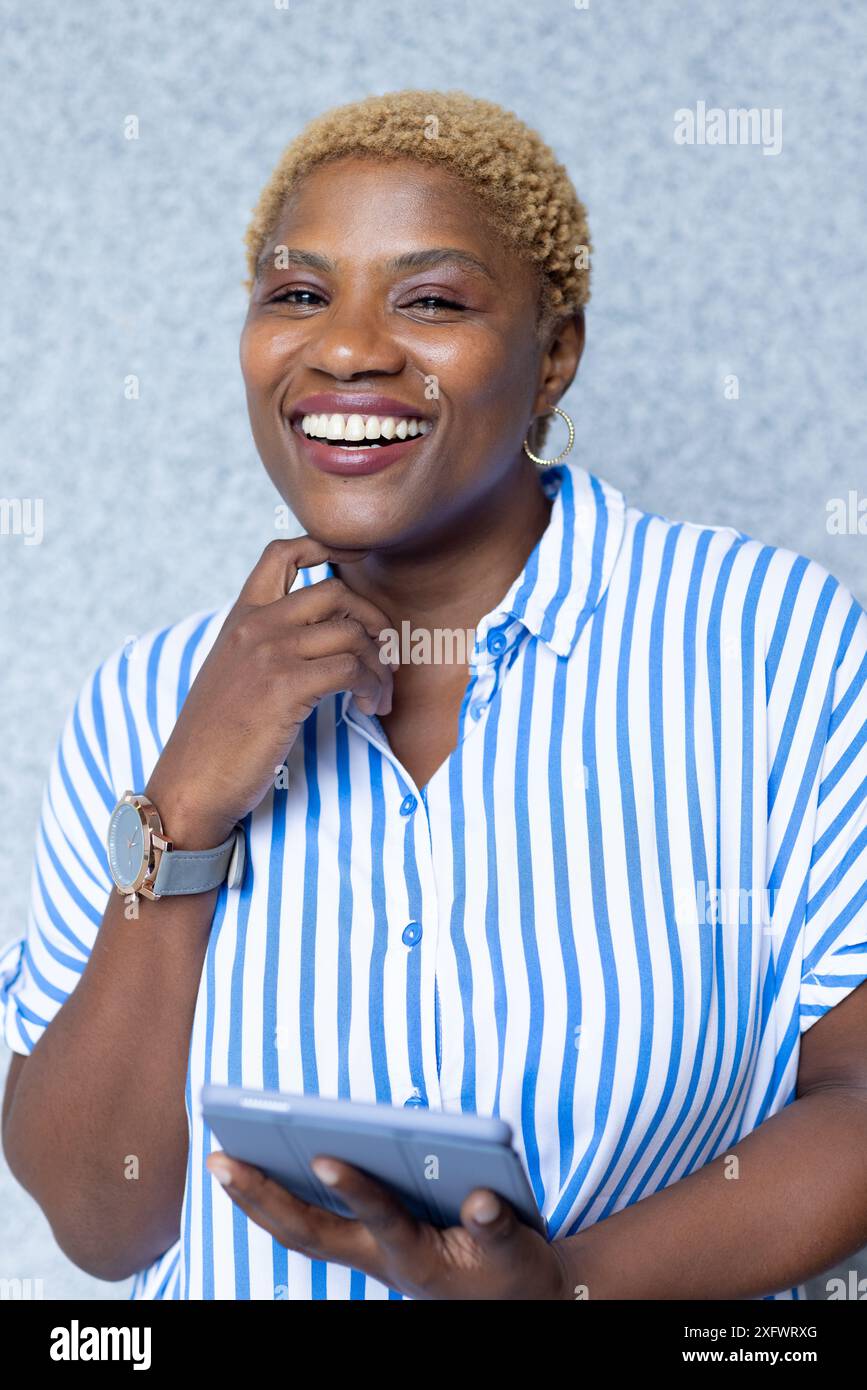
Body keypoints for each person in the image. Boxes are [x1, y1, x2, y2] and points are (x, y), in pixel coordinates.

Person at [2, 89, 866, 1301]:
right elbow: (104, 1223)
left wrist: (564, 1289)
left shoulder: (774, 645)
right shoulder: (147, 700)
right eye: (297, 294)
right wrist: (184, 816)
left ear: (554, 353)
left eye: (431, 300)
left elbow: (857, 1098)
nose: (346, 347)